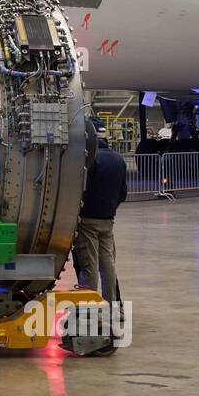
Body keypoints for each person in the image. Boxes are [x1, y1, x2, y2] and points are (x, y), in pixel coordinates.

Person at [74, 127, 129, 305]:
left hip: (88, 221)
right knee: (108, 266)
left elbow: (83, 190)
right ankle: (112, 306)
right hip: (108, 221)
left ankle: (90, 309)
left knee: (89, 266)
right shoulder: (119, 160)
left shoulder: (92, 160)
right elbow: (123, 193)